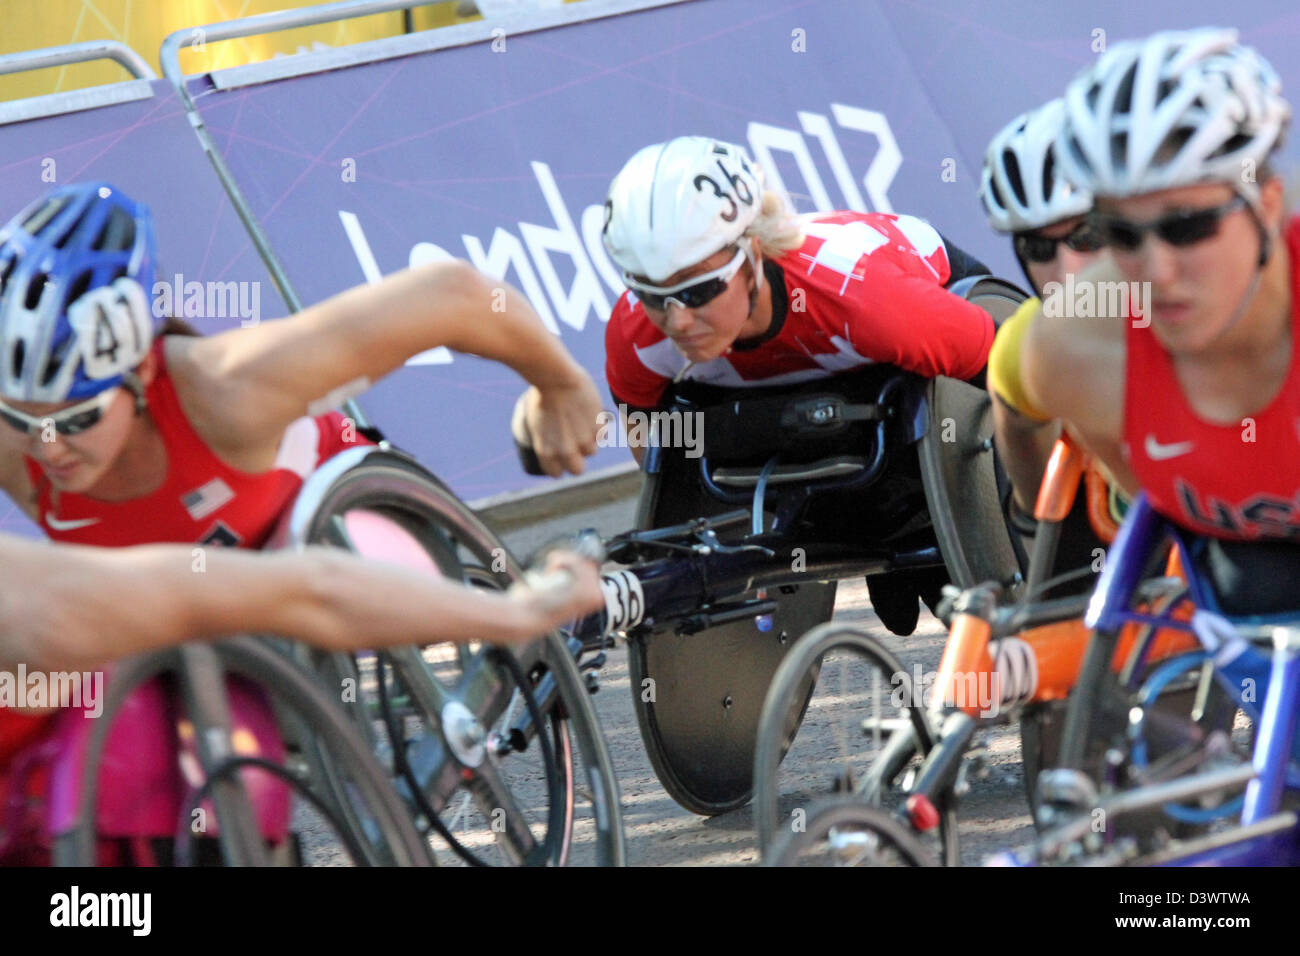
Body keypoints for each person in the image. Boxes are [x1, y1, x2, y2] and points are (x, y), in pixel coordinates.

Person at [0, 180, 599, 557]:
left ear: (140, 375)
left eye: (76, 418)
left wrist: (560, 384)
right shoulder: (12, 444)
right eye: (20, 417)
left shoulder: (226, 387)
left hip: (339, 532)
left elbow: (456, 295)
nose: (47, 446)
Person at [597, 136, 999, 634]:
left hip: (917, 316)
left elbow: (1027, 373)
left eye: (697, 291)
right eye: (653, 297)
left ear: (752, 256)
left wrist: (981, 522)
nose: (676, 321)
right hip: (813, 387)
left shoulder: (867, 301)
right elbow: (660, 454)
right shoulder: (637, 331)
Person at [1023, 27, 1298, 613]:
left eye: (1188, 227)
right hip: (1253, 570)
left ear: (1267, 207)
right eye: (1121, 234)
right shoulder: (1073, 352)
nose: (1159, 273)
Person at [979, 98, 1115, 591]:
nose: (1067, 274)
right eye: (1039, 249)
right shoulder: (1024, 349)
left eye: (1088, 236)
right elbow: (1036, 503)